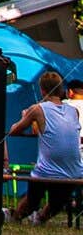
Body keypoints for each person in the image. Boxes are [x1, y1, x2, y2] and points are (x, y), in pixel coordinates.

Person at [8, 69, 83, 223]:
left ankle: (16, 217)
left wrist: (25, 116)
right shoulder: (73, 112)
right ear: (62, 90)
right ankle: (40, 219)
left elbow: (14, 131)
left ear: (42, 90)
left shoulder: (37, 109)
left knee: (32, 202)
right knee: (57, 203)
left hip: (46, 171)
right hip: (74, 170)